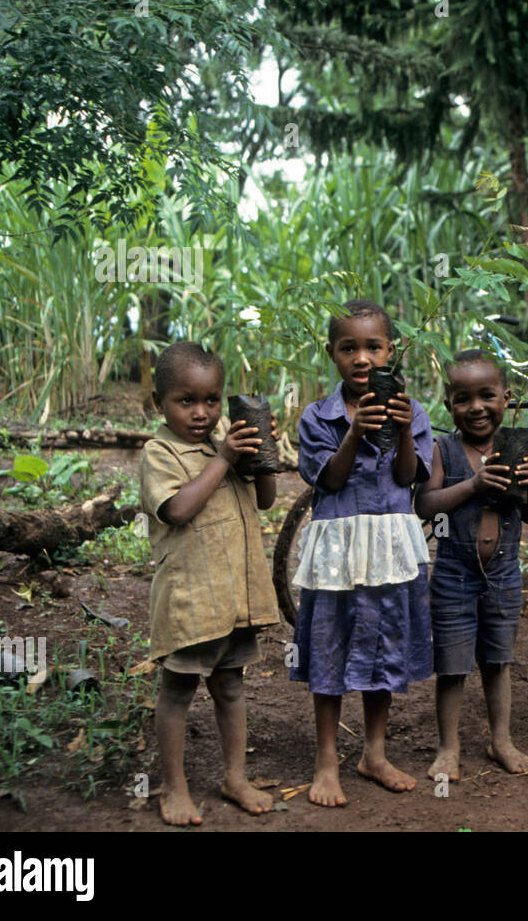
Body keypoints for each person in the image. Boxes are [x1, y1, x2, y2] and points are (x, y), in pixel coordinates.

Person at [290, 299, 434, 806]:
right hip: (338, 546)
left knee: (384, 644)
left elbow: (406, 478)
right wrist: (354, 432)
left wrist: (399, 430)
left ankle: (374, 752)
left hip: (390, 544)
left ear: (390, 351)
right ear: (332, 354)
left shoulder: (412, 412)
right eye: (349, 348)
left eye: (373, 346)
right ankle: (326, 760)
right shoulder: (317, 417)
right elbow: (326, 479)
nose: (362, 358)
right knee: (330, 644)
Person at [139, 341, 281, 826]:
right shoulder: (160, 453)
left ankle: (234, 776)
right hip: (190, 601)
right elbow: (177, 509)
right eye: (186, 401)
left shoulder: (228, 442)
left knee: (231, 687)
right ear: (159, 402)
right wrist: (222, 457)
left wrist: (263, 450)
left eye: (212, 400)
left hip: (234, 599)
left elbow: (265, 500)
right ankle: (174, 787)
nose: (202, 412)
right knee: (177, 691)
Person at [415, 350, 528, 782]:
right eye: (463, 399)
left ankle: (500, 740)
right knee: (452, 664)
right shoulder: (443, 449)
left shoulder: (514, 450)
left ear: (506, 398)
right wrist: (473, 484)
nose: (476, 407)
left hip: (504, 573)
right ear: (449, 405)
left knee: (498, 660)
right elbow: (425, 505)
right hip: (454, 572)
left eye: (486, 396)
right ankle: (448, 747)